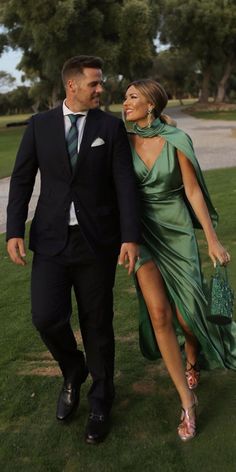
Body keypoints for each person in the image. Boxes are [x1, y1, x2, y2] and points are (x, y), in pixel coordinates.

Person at [6, 55, 140, 445]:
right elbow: (21, 180)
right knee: (45, 317)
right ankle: (73, 369)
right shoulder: (39, 126)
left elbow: (124, 185)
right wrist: (14, 228)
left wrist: (129, 236)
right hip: (49, 241)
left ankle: (101, 401)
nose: (102, 89)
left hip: (96, 242)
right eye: (94, 83)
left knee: (98, 323)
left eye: (101, 83)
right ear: (72, 86)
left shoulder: (110, 128)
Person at [123, 79, 236, 441]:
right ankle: (187, 401)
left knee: (189, 319)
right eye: (125, 97)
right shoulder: (122, 143)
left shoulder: (178, 141)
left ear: (151, 105)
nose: (125, 102)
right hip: (142, 235)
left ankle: (192, 354)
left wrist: (212, 240)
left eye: (132, 97)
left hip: (177, 230)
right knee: (160, 314)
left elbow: (192, 191)